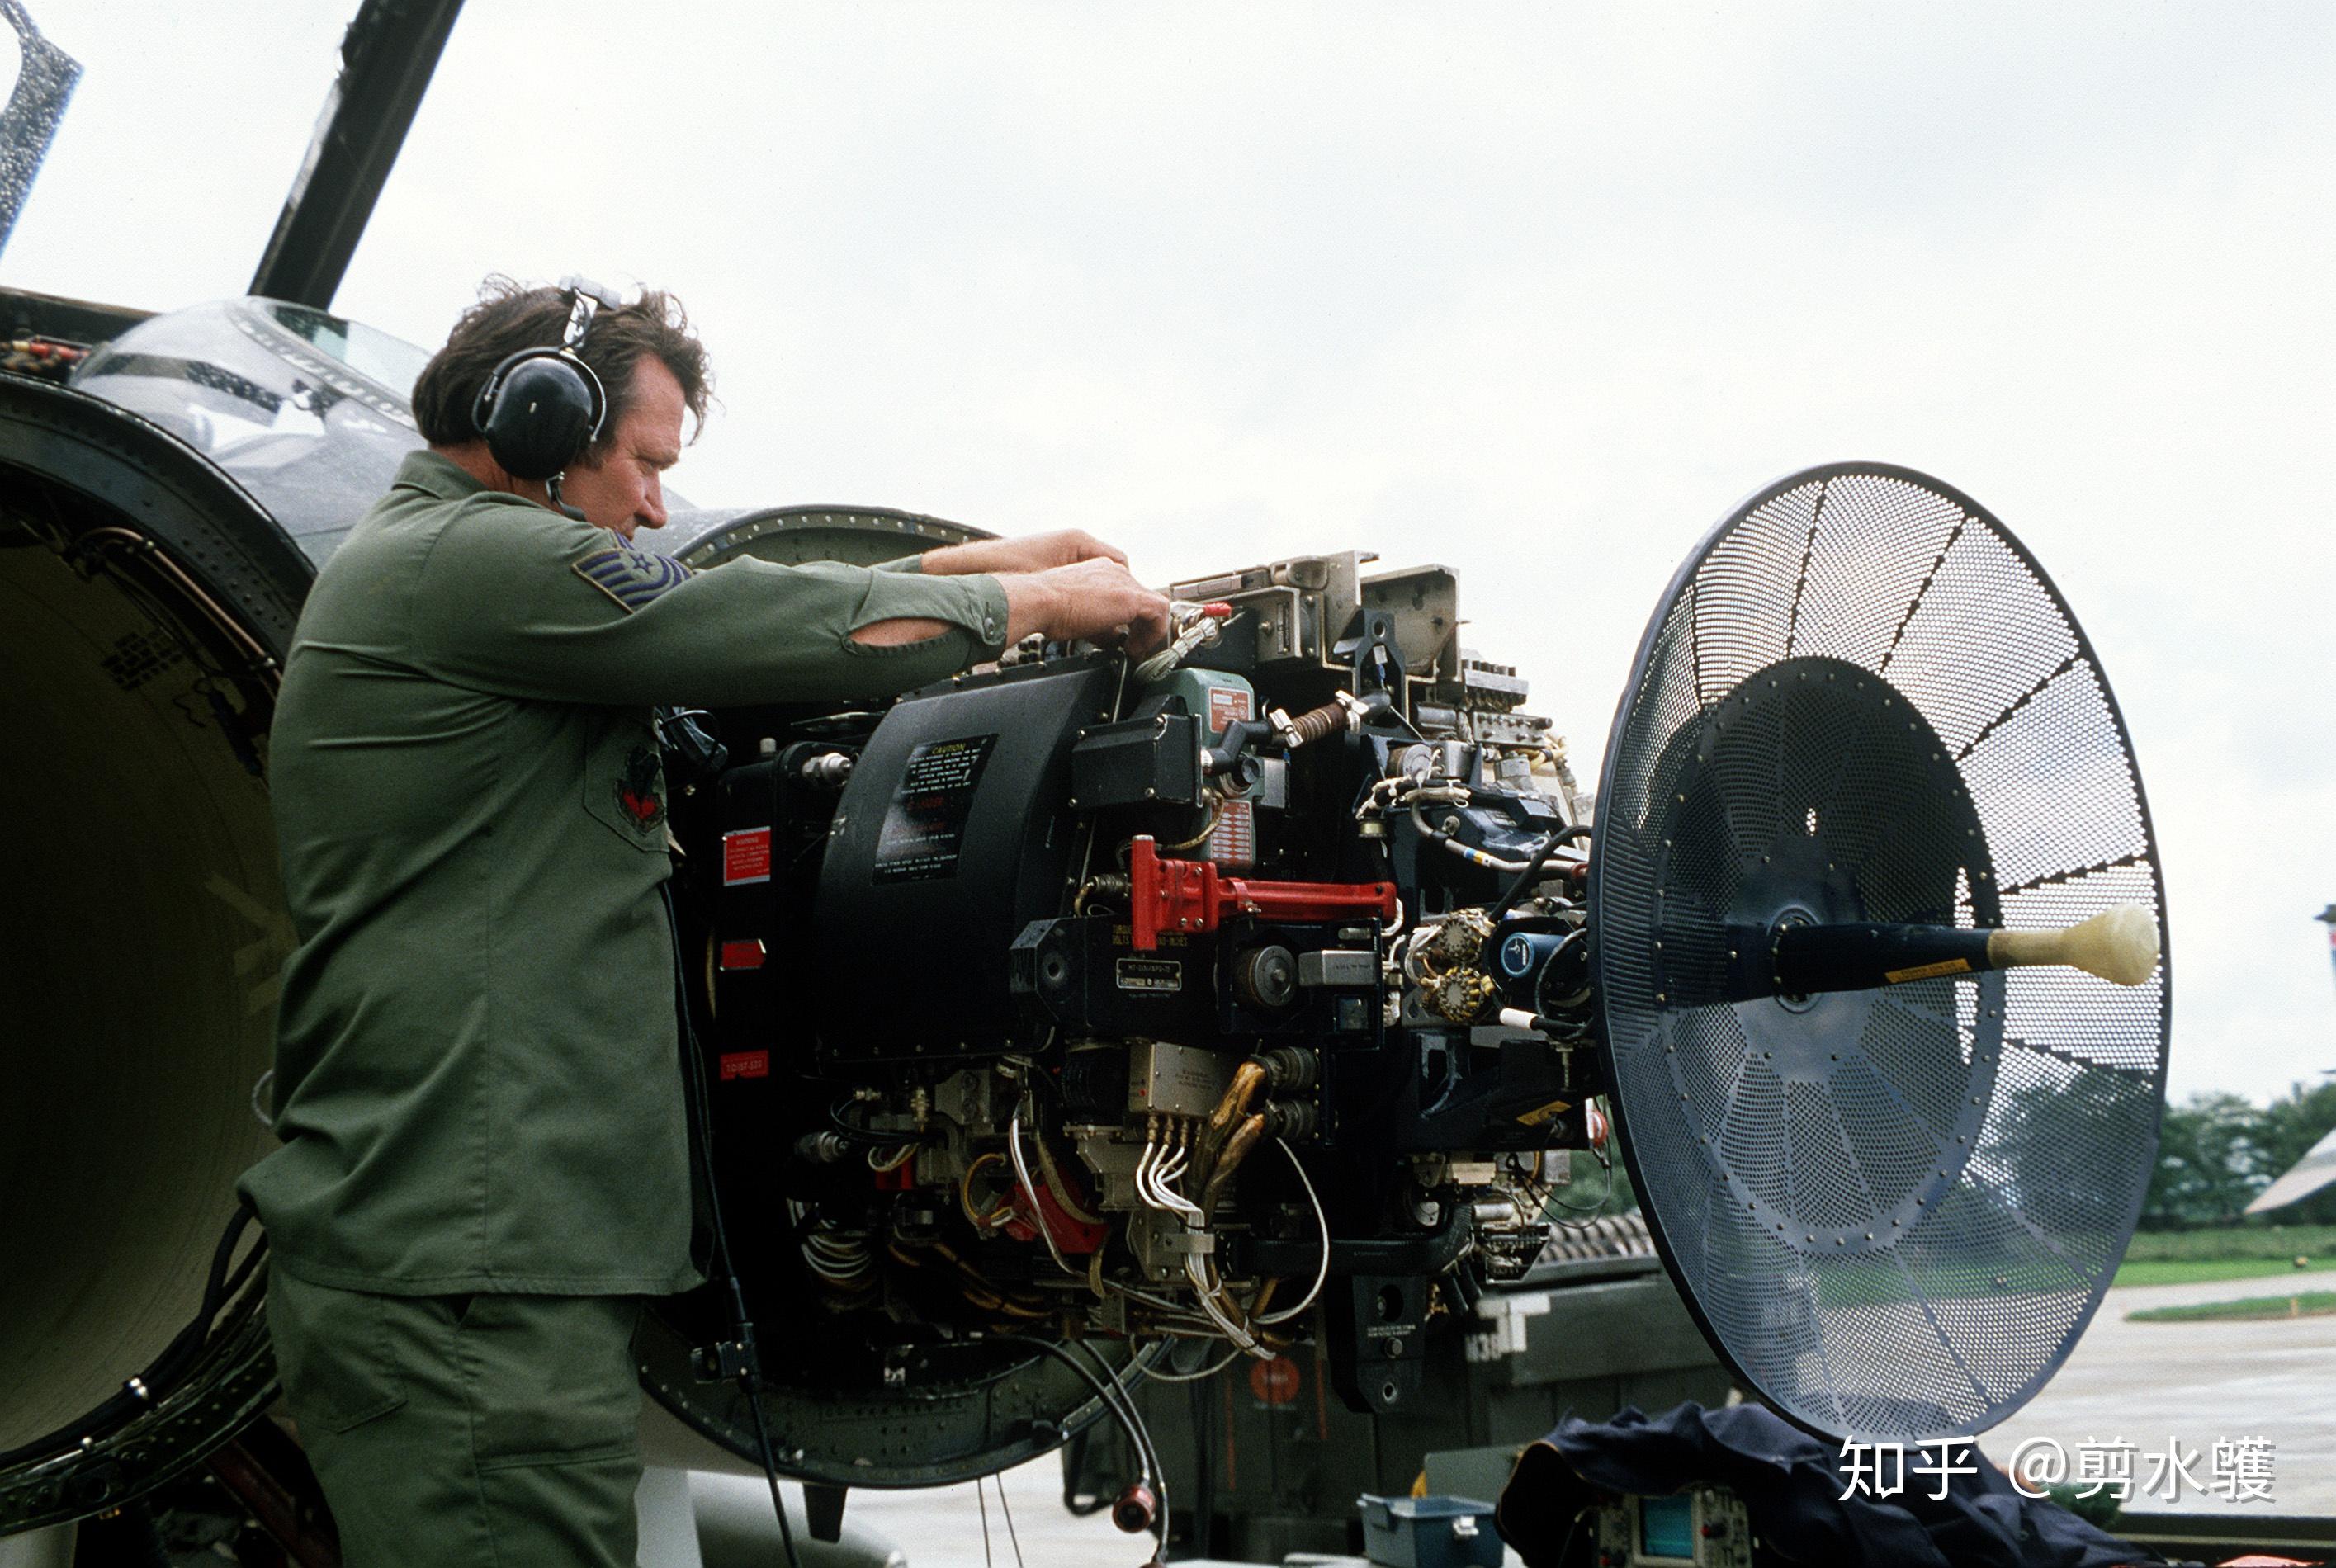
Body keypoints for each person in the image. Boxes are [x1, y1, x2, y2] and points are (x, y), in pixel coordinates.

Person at [237, 278, 1169, 1568]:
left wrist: (998, 566)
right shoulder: (472, 565)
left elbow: (743, 626)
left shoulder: (460, 580)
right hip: (467, 1284)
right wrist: (1046, 609)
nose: (657, 504)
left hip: (474, 1269)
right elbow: (745, 621)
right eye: (641, 464)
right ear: (537, 426)